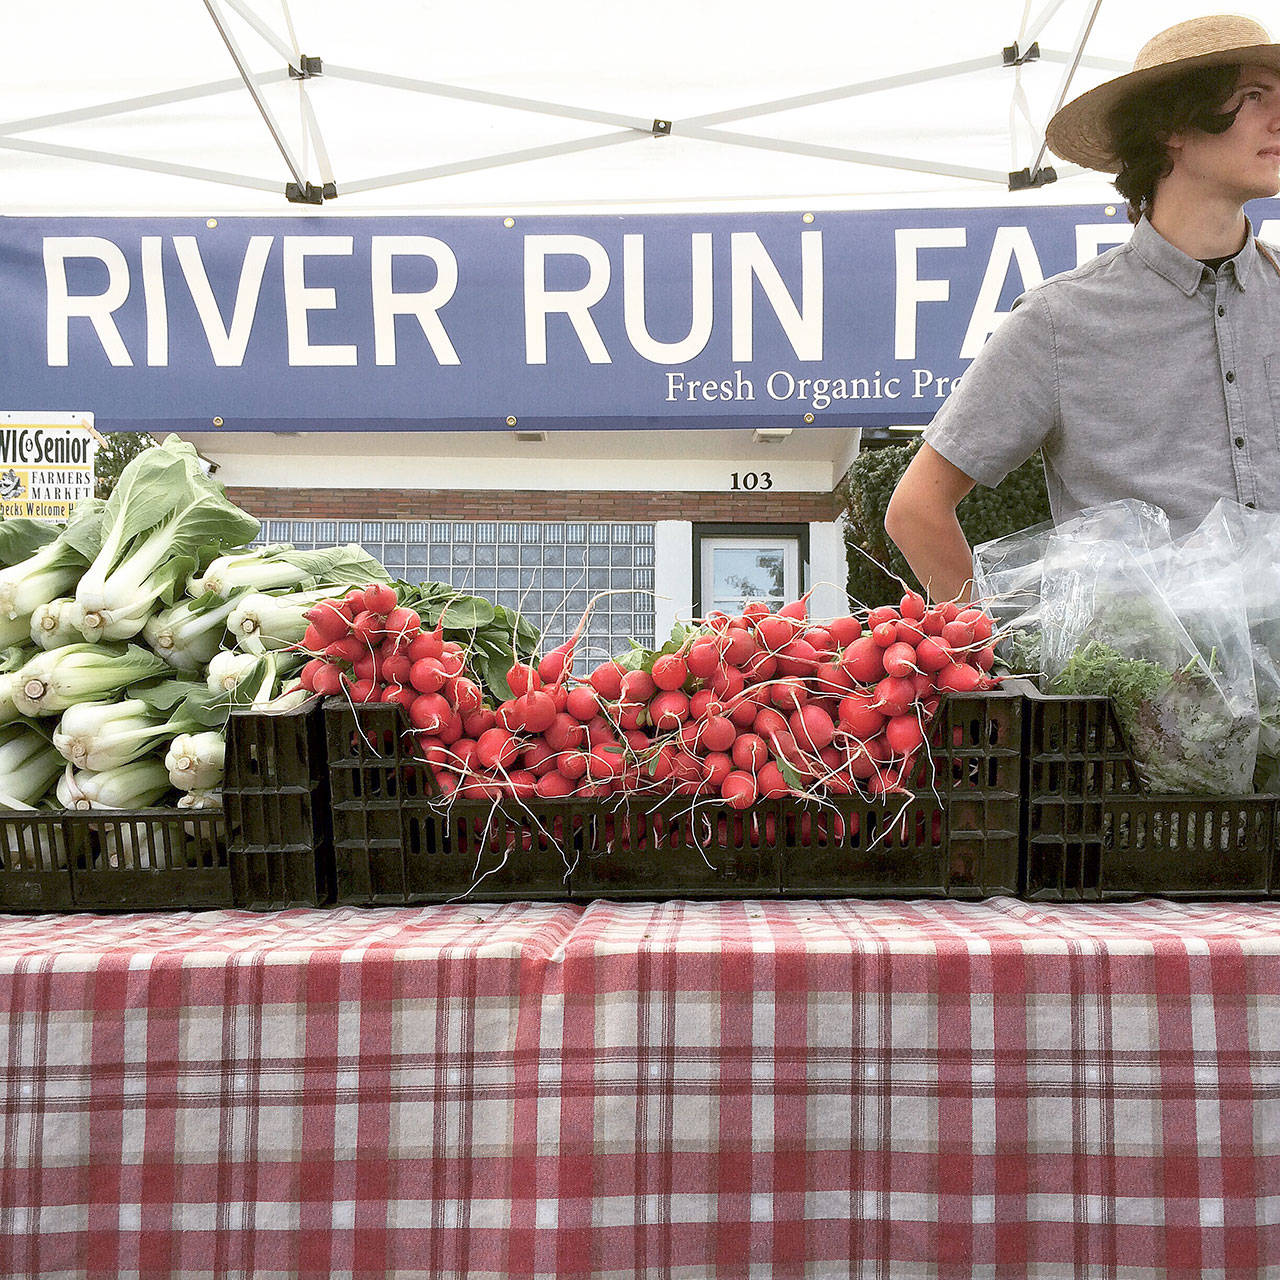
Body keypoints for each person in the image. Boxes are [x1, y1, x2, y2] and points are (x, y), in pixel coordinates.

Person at [884, 14, 1280, 603]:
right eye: (1254, 96)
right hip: (1141, 665)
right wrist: (993, 644)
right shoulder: (1059, 321)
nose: (1279, 116)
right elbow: (916, 509)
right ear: (1172, 125)